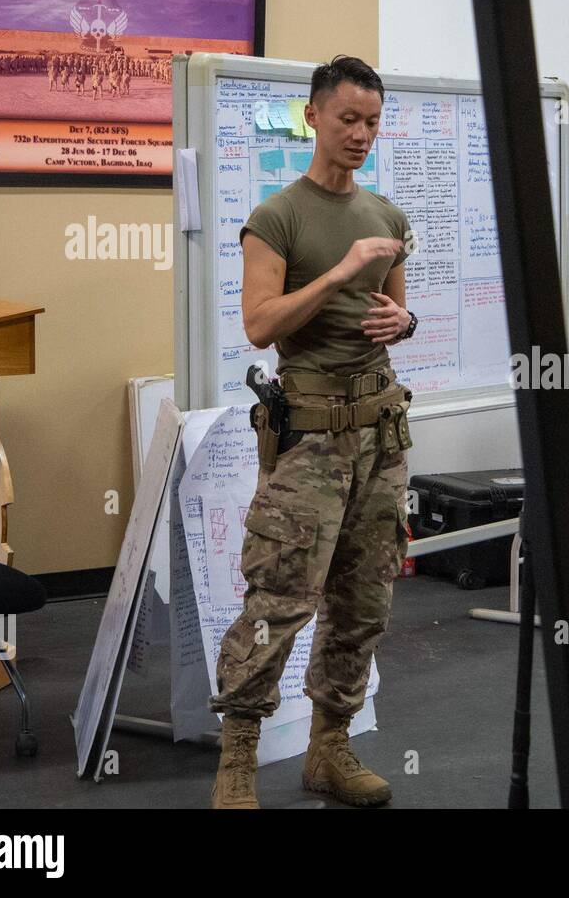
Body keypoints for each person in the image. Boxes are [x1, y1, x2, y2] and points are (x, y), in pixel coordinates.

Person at [209, 56, 419, 809]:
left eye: (371, 121)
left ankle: (330, 748)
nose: (361, 134)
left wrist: (406, 318)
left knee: (364, 603)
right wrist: (335, 275)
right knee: (280, 600)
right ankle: (237, 758)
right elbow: (261, 325)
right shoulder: (278, 217)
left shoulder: (388, 217)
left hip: (381, 434)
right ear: (314, 117)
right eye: (348, 120)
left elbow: (391, 318)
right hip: (310, 440)